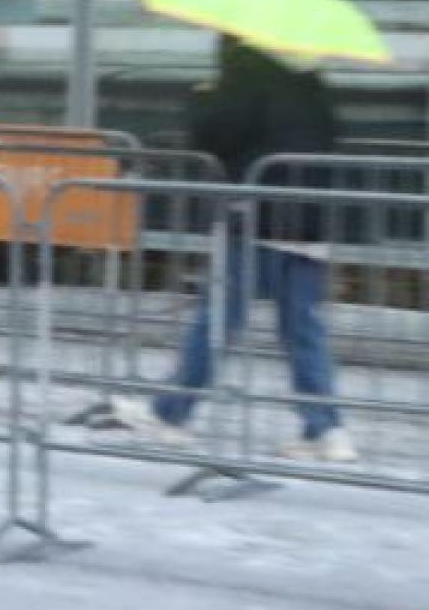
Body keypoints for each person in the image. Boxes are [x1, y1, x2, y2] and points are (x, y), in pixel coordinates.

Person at [98, 36, 354, 462]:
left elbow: (211, 135)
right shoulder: (310, 80)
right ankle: (327, 430)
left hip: (255, 218)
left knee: (216, 318)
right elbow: (331, 137)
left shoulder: (245, 75)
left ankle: (170, 414)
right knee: (302, 329)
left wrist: (204, 96)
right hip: (308, 220)